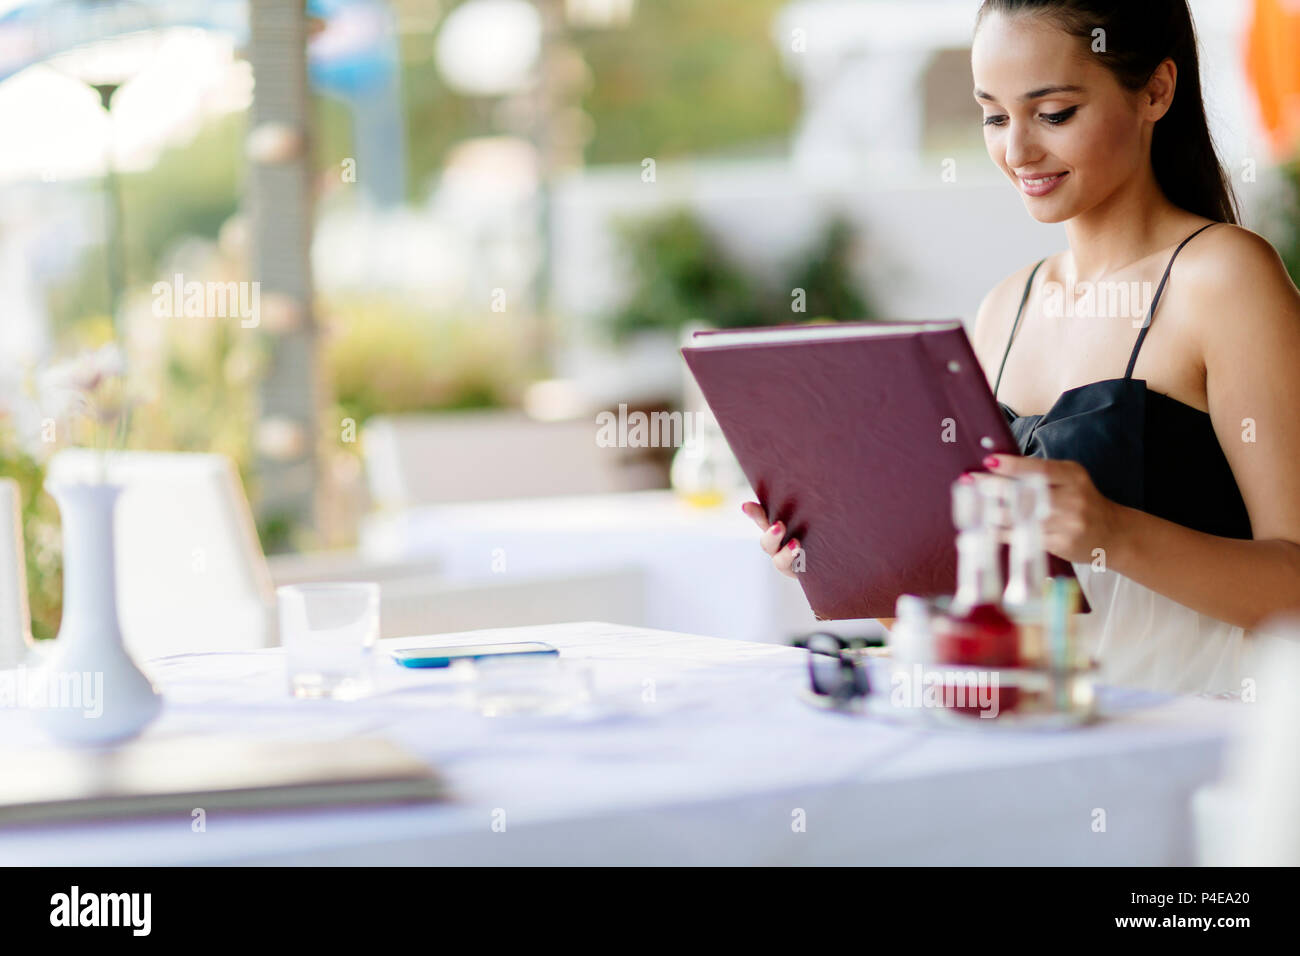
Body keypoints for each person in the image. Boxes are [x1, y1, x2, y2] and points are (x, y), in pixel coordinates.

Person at [744, 0, 1300, 695]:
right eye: (994, 116)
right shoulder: (1005, 308)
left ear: (1157, 90)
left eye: (1054, 113)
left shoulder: (1224, 279)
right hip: (1037, 735)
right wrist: (840, 552)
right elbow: (989, 615)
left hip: (1194, 742)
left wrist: (1112, 531)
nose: (1017, 150)